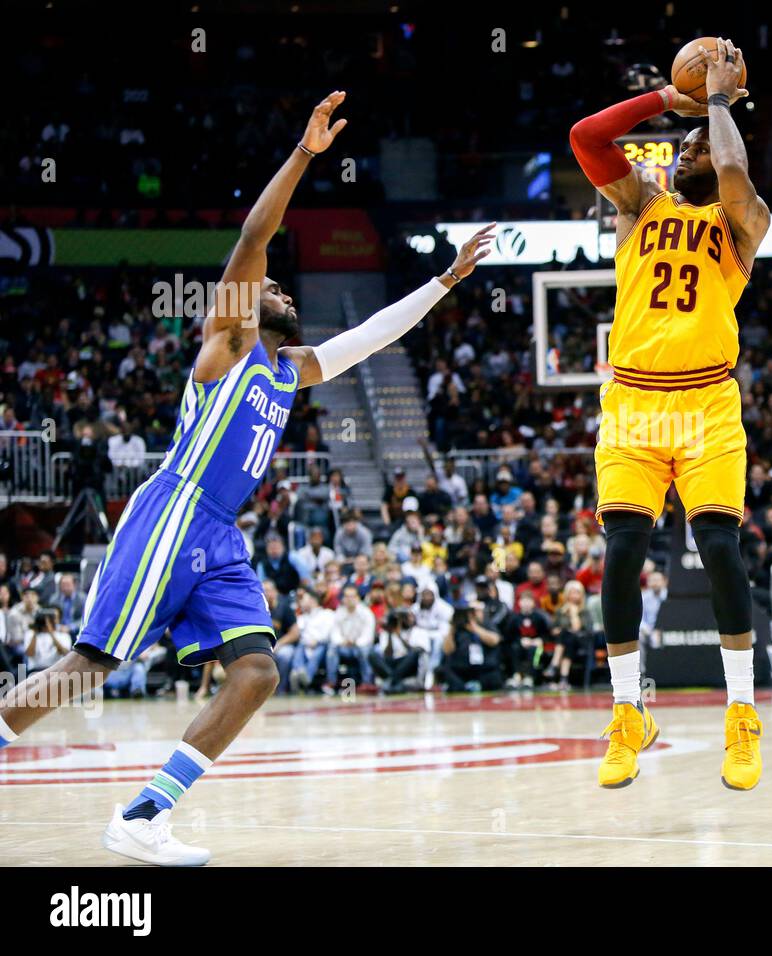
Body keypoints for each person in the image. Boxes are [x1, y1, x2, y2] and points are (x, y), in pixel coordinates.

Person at [0, 92, 493, 866]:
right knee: (88, 667)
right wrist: (303, 153)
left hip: (220, 533)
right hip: (175, 508)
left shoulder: (290, 368)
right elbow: (255, 234)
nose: (283, 290)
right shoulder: (227, 339)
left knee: (259, 671)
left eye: (282, 289)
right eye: (274, 289)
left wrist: (444, 282)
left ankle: (142, 817)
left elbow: (366, 338)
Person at [572, 39, 769, 790]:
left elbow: (731, 170)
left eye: (694, 148)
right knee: (621, 553)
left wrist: (715, 106)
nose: (684, 154)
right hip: (632, 402)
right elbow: (586, 138)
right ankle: (628, 716)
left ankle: (742, 716)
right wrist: (668, 100)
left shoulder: (744, 219)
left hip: (708, 402)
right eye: (678, 147)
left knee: (719, 548)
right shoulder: (639, 203)